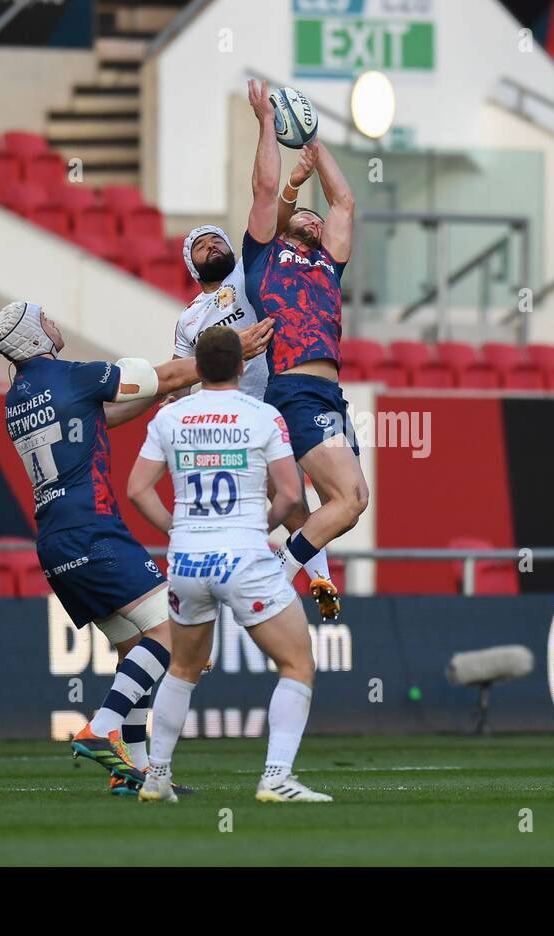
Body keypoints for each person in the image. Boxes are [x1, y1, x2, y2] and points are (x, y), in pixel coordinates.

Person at [0, 300, 272, 794]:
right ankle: (101, 728)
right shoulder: (73, 374)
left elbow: (109, 414)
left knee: (132, 654)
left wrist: (165, 393)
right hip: (93, 529)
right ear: (34, 337)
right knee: (171, 634)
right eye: (45, 317)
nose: (54, 320)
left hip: (55, 541)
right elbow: (158, 377)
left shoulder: (19, 396)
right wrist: (228, 354)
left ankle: (137, 774)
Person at [126, 326, 331, 803]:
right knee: (297, 662)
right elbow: (291, 495)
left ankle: (156, 776)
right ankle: (276, 777)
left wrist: (175, 529)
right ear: (243, 366)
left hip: (188, 560)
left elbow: (137, 489)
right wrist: (259, 525)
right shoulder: (264, 416)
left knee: (181, 667)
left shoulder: (171, 417)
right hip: (243, 555)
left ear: (196, 368)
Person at [173, 198, 338, 617]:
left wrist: (293, 186)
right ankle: (210, 606)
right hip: (236, 420)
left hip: (287, 393)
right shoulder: (188, 320)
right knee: (281, 501)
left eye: (217, 240)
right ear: (193, 268)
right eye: (201, 245)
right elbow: (179, 376)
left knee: (318, 494)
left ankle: (316, 577)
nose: (211, 246)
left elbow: (276, 217)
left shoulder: (254, 271)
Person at [241, 79, 367, 622]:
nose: (316, 218)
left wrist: (316, 143)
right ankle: (280, 573)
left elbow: (345, 200)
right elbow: (268, 191)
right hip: (293, 387)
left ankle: (279, 565)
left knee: (307, 505)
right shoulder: (263, 258)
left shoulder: (328, 267)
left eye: (319, 219)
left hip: (329, 396)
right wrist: (268, 122)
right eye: (305, 215)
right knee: (351, 498)